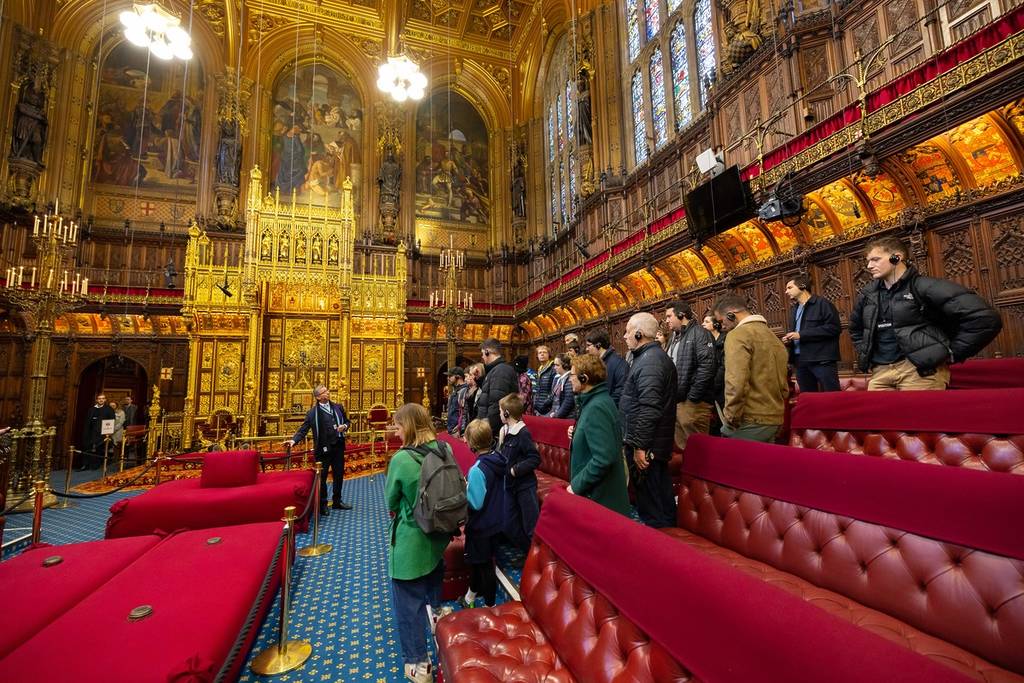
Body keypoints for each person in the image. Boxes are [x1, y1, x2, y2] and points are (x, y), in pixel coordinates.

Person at [849, 237, 1002, 391]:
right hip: (880, 373)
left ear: (897, 257)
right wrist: (867, 353)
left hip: (920, 372)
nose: (869, 266)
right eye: (868, 261)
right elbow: (856, 330)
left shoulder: (925, 286)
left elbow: (985, 319)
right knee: (879, 416)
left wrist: (950, 353)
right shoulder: (867, 294)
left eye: (875, 259)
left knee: (918, 416)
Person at [385, 403, 453, 683]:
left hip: (413, 538)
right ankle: (437, 613)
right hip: (440, 532)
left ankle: (418, 663)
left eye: (399, 426)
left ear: (409, 426)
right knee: (435, 568)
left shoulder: (401, 459)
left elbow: (391, 500)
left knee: (407, 602)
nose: (396, 432)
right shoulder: (443, 447)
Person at [619, 312, 677, 528]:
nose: (624, 336)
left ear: (639, 334)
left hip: (648, 445)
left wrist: (640, 446)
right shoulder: (647, 357)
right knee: (657, 498)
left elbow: (649, 409)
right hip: (650, 442)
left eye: (628, 332)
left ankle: (662, 548)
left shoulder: (650, 361)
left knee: (653, 507)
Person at [713, 295, 789, 443]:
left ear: (731, 314)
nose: (721, 326)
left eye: (721, 321)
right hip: (775, 417)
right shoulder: (772, 335)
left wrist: (730, 418)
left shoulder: (737, 335)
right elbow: (784, 386)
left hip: (750, 419)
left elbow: (736, 383)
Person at [566, 354, 630, 516]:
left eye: (572, 375)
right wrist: (578, 433)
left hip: (600, 497)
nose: (569, 380)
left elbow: (603, 458)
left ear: (584, 378)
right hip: (596, 494)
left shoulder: (596, 407)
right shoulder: (595, 401)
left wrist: (576, 485)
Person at [460, 419, 509, 609]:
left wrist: (464, 488)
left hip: (481, 525)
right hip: (496, 521)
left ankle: (490, 606)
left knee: (484, 567)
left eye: (466, 438)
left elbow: (475, 502)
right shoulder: (497, 459)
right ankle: (470, 597)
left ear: (473, 443)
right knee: (482, 563)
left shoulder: (477, 470)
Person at [285, 384, 352, 514]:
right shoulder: (312, 414)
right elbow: (303, 429)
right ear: (318, 397)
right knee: (322, 477)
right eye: (324, 392)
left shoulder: (338, 407)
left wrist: (344, 426)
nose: (327, 392)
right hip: (323, 449)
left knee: (338, 475)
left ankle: (337, 501)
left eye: (327, 390)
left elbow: (348, 422)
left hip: (338, 446)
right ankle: (323, 504)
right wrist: (293, 440)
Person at [664, 301, 716, 452]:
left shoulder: (700, 333)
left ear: (681, 315)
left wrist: (693, 397)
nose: (666, 320)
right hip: (677, 400)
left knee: (699, 448)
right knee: (683, 448)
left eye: (669, 316)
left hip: (693, 403)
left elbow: (707, 367)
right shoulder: (674, 337)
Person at [782, 275, 842, 392]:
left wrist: (801, 334)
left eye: (789, 287)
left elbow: (834, 328)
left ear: (802, 287)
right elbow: (797, 333)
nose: (786, 291)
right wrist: (789, 340)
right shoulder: (794, 309)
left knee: (833, 397)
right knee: (809, 398)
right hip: (800, 362)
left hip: (821, 360)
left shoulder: (822, 304)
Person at [498, 394, 541, 547]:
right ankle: (524, 550)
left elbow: (535, 459)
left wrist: (515, 470)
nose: (499, 414)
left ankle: (534, 557)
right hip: (509, 486)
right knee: (508, 523)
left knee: (531, 525)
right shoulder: (505, 431)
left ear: (507, 413)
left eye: (500, 411)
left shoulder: (523, 433)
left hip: (524, 486)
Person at [475, 338, 520, 435]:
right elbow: (490, 393)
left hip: (492, 430)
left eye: (483, 353)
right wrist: (479, 379)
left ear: (487, 352)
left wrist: (487, 429)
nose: (482, 357)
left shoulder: (501, 371)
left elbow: (496, 403)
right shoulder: (496, 370)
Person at [584, 330, 627, 406]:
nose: (586, 349)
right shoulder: (596, 363)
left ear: (598, 345)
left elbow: (621, 391)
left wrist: (605, 406)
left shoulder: (618, 363)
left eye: (588, 345)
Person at [702, 312, 727, 435]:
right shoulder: (705, 341)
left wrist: (715, 382)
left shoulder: (725, 338)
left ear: (716, 324)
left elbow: (724, 365)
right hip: (712, 385)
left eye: (706, 322)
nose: (703, 324)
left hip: (723, 384)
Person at [80, 392, 114, 470]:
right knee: (88, 448)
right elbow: (87, 421)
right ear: (96, 400)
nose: (101, 400)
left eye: (102, 398)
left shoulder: (109, 409)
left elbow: (111, 421)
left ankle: (95, 466)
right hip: (90, 433)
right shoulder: (91, 409)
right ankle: (86, 465)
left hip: (102, 433)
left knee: (99, 450)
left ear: (105, 400)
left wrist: (107, 433)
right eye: (99, 399)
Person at [547, 353, 575, 419]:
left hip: (566, 418)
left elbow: (568, 401)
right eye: (554, 365)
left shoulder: (569, 380)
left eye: (557, 365)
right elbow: (553, 397)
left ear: (565, 366)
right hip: (557, 415)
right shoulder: (558, 378)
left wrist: (557, 415)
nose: (554, 367)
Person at [459, 363, 484, 436]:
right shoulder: (467, 391)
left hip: (478, 426)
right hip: (470, 426)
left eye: (471, 375)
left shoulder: (481, 390)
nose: (470, 377)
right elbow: (465, 412)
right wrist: (464, 429)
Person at [533, 345, 556, 416]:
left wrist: (546, 403)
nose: (542, 354)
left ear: (549, 355)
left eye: (544, 352)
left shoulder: (553, 369)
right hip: (538, 408)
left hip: (548, 408)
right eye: (540, 353)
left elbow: (555, 390)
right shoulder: (540, 369)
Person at [445, 367, 466, 434]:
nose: (448, 378)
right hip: (452, 429)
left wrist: (460, 427)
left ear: (458, 377)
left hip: (458, 430)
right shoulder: (455, 390)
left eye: (450, 376)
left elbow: (464, 412)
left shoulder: (464, 390)